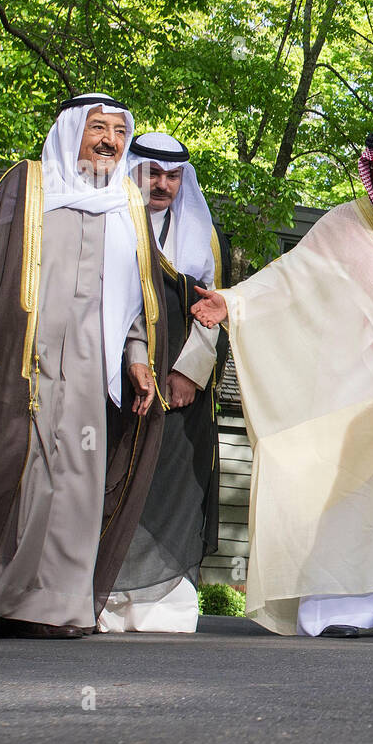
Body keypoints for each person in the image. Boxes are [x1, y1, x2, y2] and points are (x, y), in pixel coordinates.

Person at [190, 127, 373, 638]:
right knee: (357, 491)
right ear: (369, 171)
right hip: (368, 384)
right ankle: (338, 610)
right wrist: (233, 301)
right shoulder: (349, 223)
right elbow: (294, 276)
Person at [0, 94, 167, 639]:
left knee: (70, 484)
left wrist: (139, 356)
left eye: (119, 132)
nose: (109, 140)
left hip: (87, 369)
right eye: (96, 128)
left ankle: (42, 606)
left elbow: (136, 299)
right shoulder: (26, 184)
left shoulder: (129, 202)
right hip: (12, 358)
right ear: (69, 131)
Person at [97, 132, 230, 632]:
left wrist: (187, 372)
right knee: (118, 479)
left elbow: (212, 312)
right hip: (118, 377)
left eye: (173, 176)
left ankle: (163, 604)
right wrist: (135, 361)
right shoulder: (111, 221)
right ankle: (107, 600)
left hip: (182, 384)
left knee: (172, 481)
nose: (163, 184)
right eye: (153, 173)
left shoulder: (202, 233)